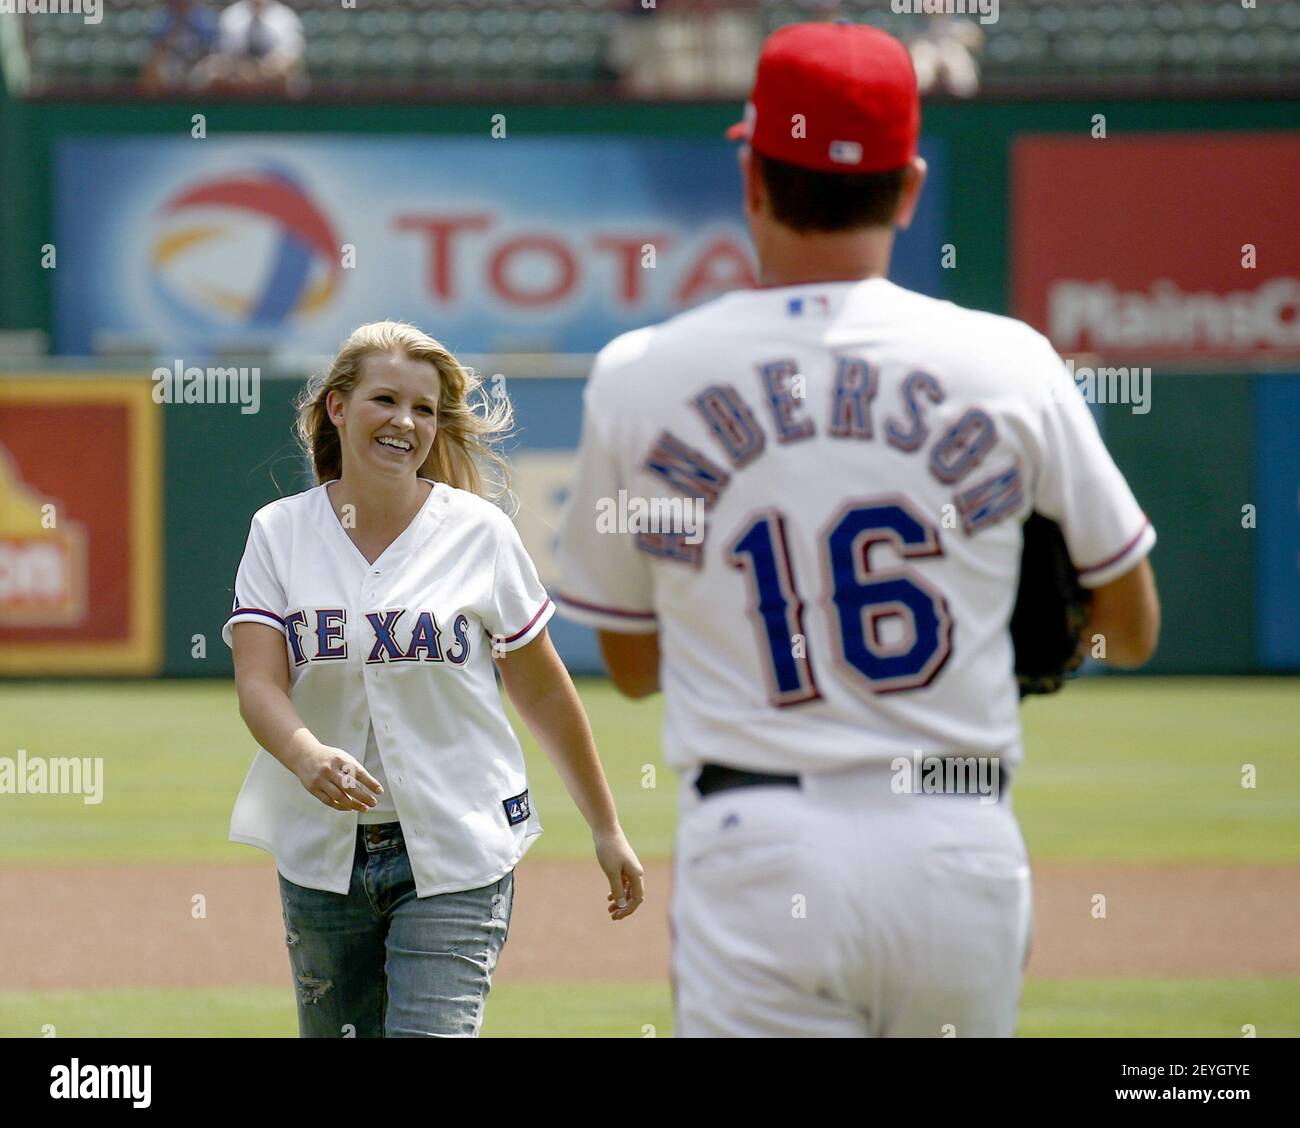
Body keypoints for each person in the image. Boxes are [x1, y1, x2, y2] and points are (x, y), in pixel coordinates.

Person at [554, 22, 1159, 1037]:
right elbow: (1129, 629)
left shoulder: (641, 376)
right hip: (957, 844)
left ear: (752, 174)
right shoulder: (1010, 362)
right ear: (909, 184)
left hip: (759, 843)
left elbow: (630, 660)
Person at [226, 321, 644, 1038]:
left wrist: (606, 827)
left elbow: (541, 690)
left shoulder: (479, 534)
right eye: (385, 399)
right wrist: (305, 753)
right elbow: (260, 683)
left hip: (457, 846)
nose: (406, 422)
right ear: (337, 407)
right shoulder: (280, 531)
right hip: (324, 857)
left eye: (424, 409)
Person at [206, 0, 306, 94]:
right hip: (238, 70)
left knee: (291, 71)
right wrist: (243, 68)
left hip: (272, 70)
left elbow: (291, 54)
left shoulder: (285, 16)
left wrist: (265, 68)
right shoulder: (231, 15)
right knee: (212, 69)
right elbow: (223, 52)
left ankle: (286, 109)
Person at [138, 0, 219, 93]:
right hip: (171, 63)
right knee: (154, 71)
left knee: (215, 72)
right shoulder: (159, 18)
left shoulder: (206, 18)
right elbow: (157, 53)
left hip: (199, 62)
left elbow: (210, 52)